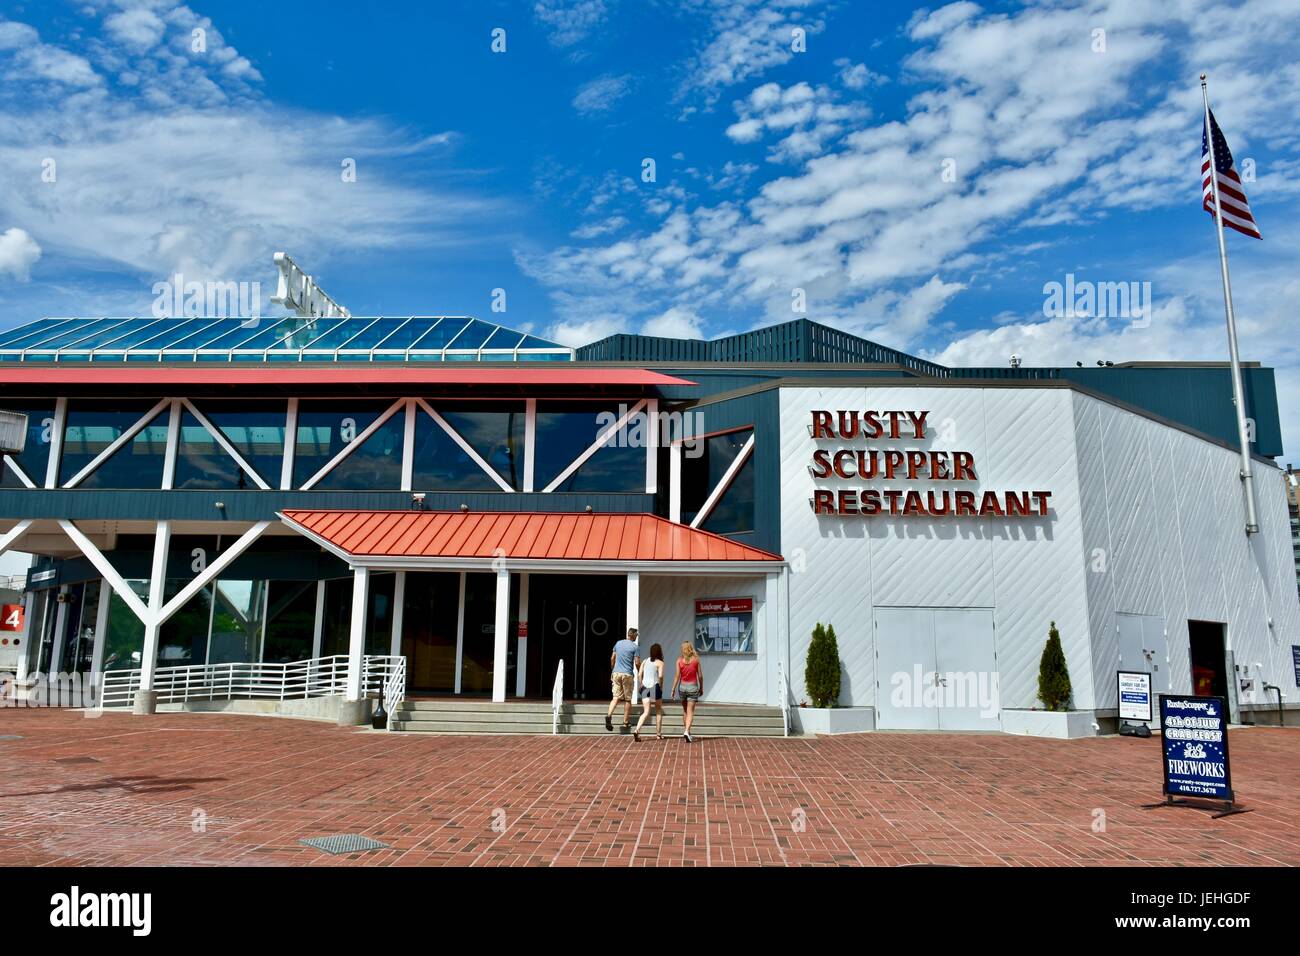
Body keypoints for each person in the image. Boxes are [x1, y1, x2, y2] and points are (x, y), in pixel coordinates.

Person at [606, 627, 641, 732]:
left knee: (616, 697)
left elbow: (612, 658)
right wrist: (641, 673)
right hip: (627, 674)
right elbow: (637, 663)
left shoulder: (618, 643)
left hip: (616, 673)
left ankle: (609, 715)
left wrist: (613, 670)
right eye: (636, 635)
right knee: (627, 699)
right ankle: (625, 722)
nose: (637, 637)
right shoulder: (635, 647)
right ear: (633, 635)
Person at [671, 641, 703, 742]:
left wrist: (673, 689)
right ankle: (687, 731)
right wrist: (701, 687)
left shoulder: (679, 661)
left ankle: (687, 733)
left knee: (685, 711)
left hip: (682, 687)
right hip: (693, 687)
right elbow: (700, 676)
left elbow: (677, 676)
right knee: (690, 712)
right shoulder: (696, 660)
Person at [633, 643, 665, 742]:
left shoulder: (645, 661)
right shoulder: (660, 662)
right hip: (655, 687)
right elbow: (660, 676)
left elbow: (639, 674)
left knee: (646, 712)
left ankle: (637, 730)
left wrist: (641, 683)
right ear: (659, 652)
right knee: (658, 710)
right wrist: (661, 686)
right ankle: (658, 734)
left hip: (645, 688)